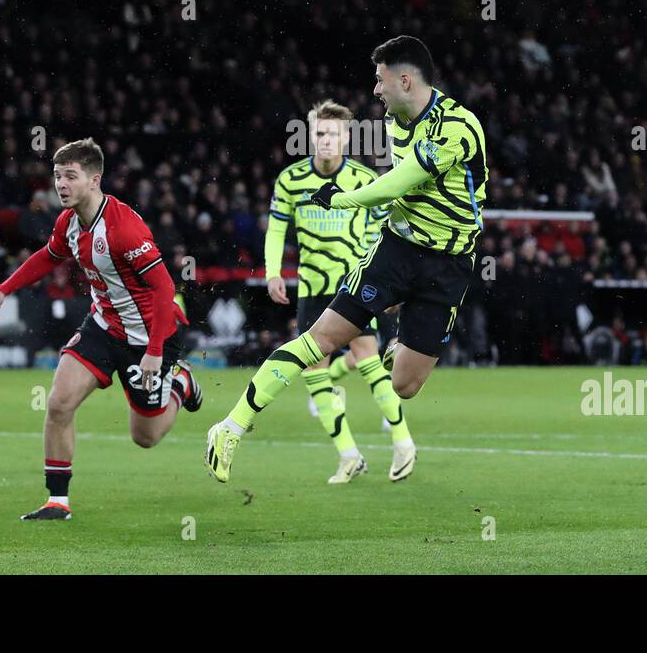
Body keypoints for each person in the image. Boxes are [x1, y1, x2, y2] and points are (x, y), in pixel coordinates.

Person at [206, 36, 487, 483]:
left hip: (449, 264)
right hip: (395, 252)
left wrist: (341, 200)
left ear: (405, 79)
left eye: (380, 80)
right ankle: (231, 426)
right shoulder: (395, 121)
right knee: (317, 341)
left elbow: (399, 182)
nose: (375, 90)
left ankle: (400, 349)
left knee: (405, 386)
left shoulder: (458, 126)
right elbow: (397, 194)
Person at [0, 138, 200, 521]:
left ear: (94, 180)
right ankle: (57, 502)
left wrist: (152, 352)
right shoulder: (68, 221)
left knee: (144, 438)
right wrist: (4, 289)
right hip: (102, 326)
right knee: (59, 402)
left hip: (149, 336)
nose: (60, 184)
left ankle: (180, 385)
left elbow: (165, 287)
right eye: (56, 176)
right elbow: (49, 256)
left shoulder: (124, 230)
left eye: (70, 176)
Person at [264, 98, 412, 483]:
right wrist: (272, 272)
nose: (325, 140)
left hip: (354, 285)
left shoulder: (364, 180)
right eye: (319, 134)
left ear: (346, 137)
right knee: (315, 371)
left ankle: (402, 441)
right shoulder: (291, 180)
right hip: (312, 288)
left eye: (332, 133)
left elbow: (388, 230)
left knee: (368, 359)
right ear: (311, 137)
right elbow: (278, 227)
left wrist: (389, 281)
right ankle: (348, 455)